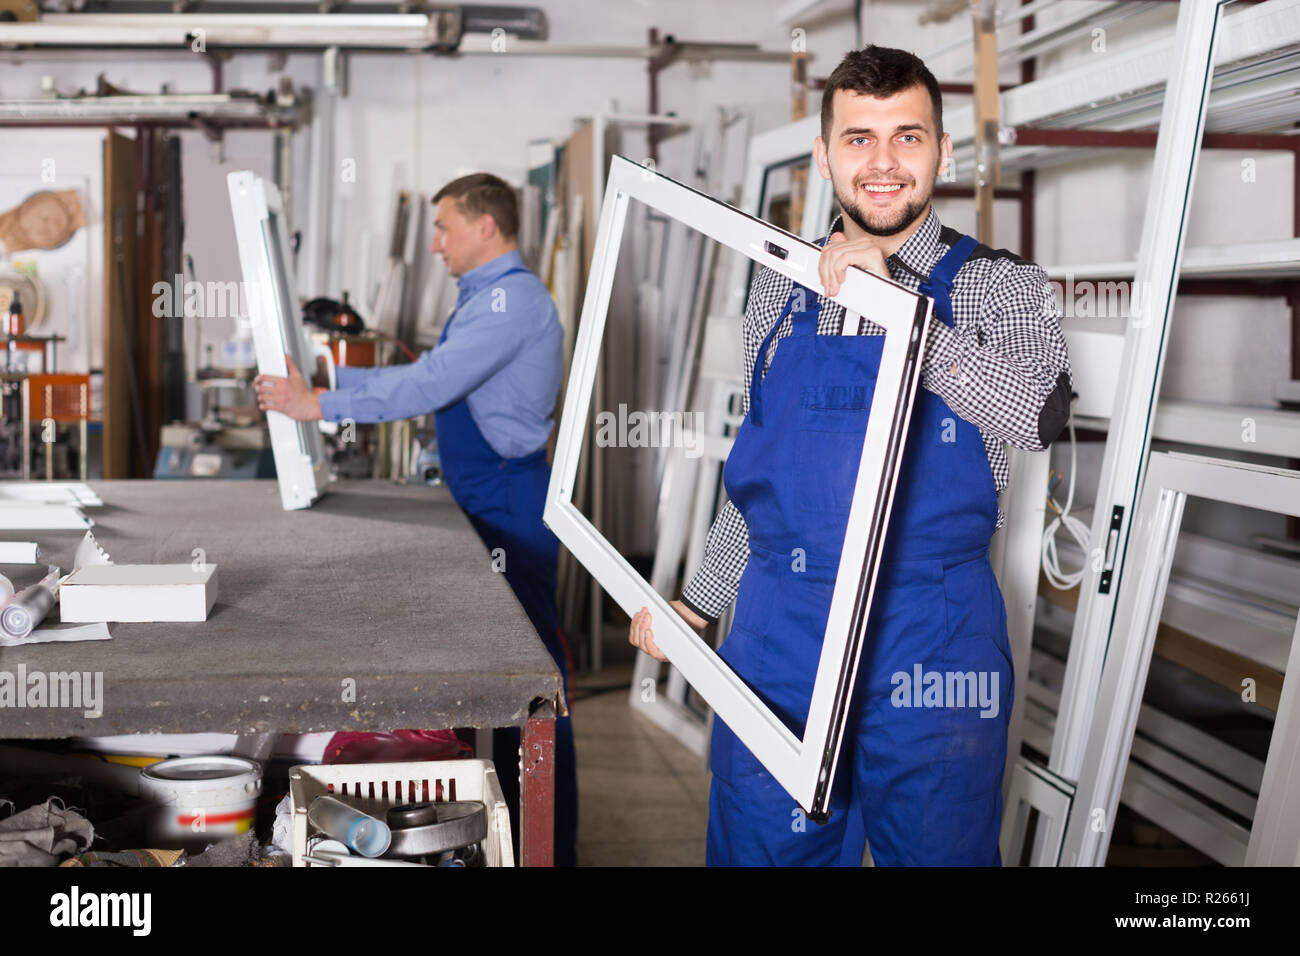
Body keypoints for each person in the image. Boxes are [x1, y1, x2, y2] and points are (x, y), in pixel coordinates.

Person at [629, 45, 1073, 866]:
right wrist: (697, 602)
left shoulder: (1000, 285)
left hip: (933, 640)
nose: (883, 162)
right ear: (824, 156)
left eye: (907, 137)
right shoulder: (778, 285)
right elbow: (756, 473)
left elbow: (1033, 414)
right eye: (859, 138)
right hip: (779, 630)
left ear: (944, 152)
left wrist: (898, 311)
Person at [255, 172, 578, 866]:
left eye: (445, 227)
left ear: (484, 226)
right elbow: (434, 370)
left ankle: (548, 842)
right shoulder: (485, 299)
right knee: (503, 676)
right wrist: (329, 383)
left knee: (532, 682)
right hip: (486, 494)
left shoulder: (508, 301)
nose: (436, 244)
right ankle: (509, 827)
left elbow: (430, 386)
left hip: (508, 499)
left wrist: (317, 407)